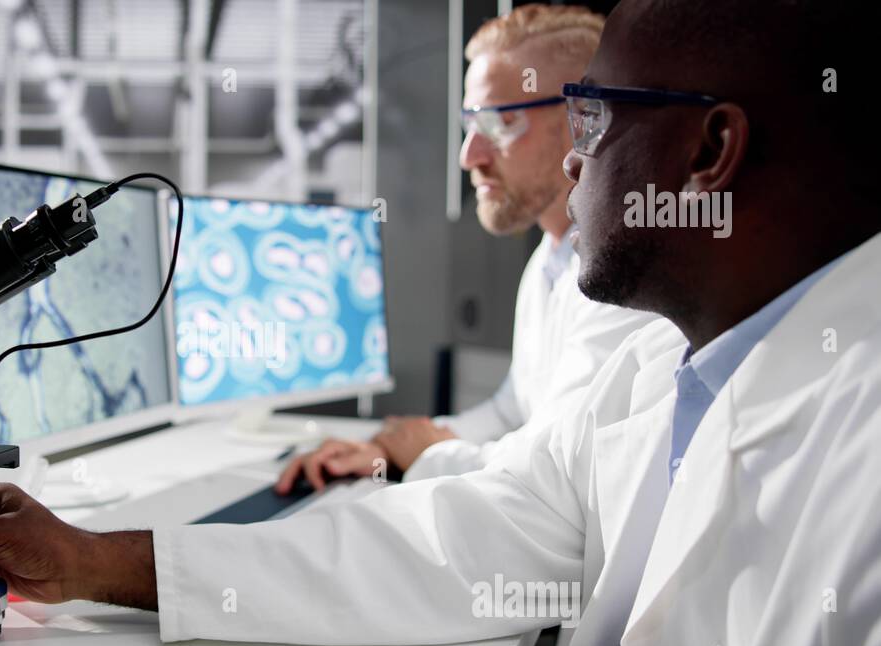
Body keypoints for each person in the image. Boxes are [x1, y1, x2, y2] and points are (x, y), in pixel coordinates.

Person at [0, 0, 881, 646]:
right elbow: (449, 543)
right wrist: (91, 560)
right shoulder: (655, 371)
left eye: (594, 114)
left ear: (709, 153)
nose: (581, 153)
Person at [276, 4, 657, 493]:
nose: (469, 156)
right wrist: (390, 448)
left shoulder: (623, 280)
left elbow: (553, 478)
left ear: (581, 120)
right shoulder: (550, 261)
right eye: (469, 124)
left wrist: (428, 455)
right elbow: (513, 409)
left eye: (498, 124)